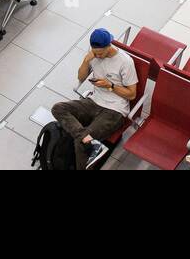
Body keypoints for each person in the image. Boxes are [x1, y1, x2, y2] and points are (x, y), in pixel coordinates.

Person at [51, 28, 138, 169]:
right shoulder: (93, 55)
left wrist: (109, 85)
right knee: (58, 108)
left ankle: (86, 141)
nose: (98, 56)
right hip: (94, 102)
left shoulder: (125, 62)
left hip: (114, 110)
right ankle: (90, 141)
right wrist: (86, 60)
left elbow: (132, 94)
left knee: (80, 143)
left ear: (109, 46)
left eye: (101, 53)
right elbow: (80, 77)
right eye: (95, 53)